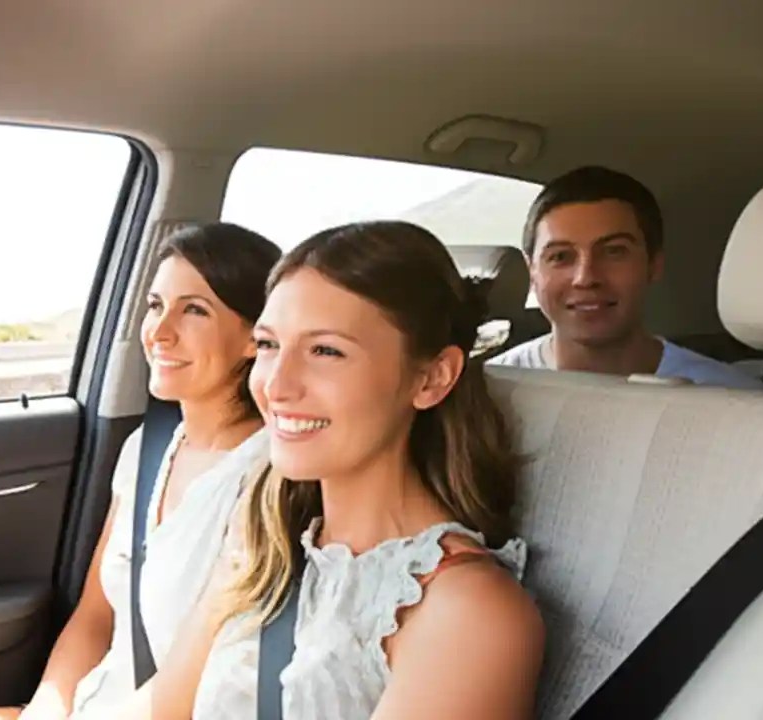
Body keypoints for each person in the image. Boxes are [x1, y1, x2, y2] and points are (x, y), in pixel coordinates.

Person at [93, 221, 544, 720]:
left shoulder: (466, 613)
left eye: (326, 351)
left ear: (433, 378)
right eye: (268, 345)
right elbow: (162, 709)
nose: (276, 385)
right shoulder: (266, 537)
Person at [0, 223, 281, 720]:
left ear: (255, 338)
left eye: (194, 310)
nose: (160, 331)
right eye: (156, 305)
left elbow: (212, 683)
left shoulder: (269, 478)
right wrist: (47, 706)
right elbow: (94, 617)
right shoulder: (146, 450)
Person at [489, 165, 761, 389]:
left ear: (654, 264)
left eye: (614, 252)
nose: (585, 277)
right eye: (560, 256)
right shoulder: (490, 392)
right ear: (532, 272)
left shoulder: (729, 399)